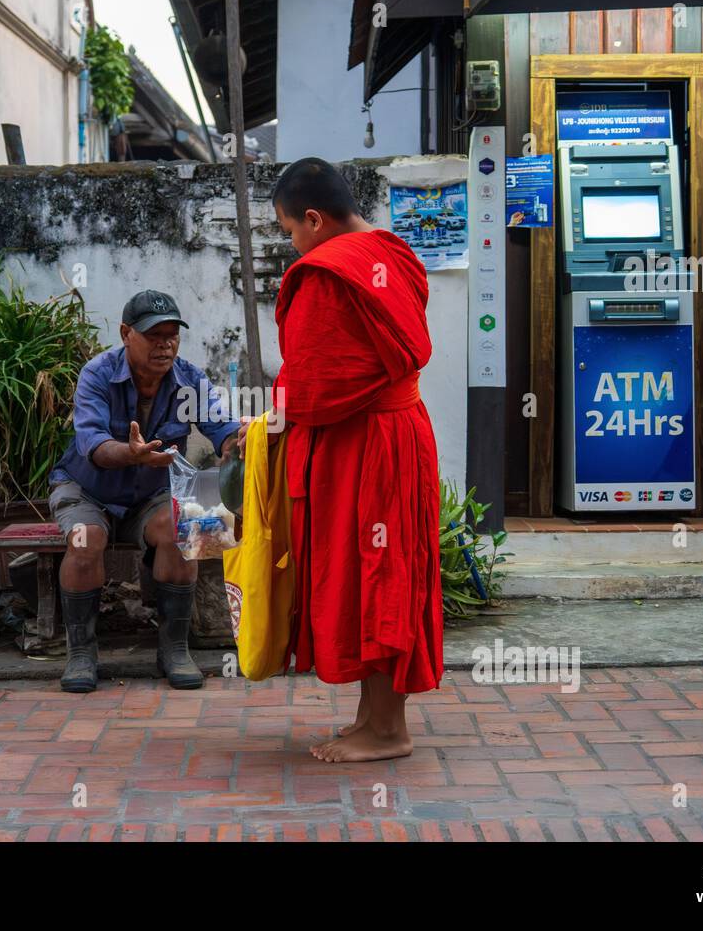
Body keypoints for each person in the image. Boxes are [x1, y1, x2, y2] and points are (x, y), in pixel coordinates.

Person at [252, 157, 443, 762]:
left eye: (289, 231)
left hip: (364, 444)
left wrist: (268, 422)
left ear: (313, 218)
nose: (292, 244)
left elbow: (314, 381)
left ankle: (388, 731)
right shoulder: (395, 253)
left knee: (375, 571)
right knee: (386, 568)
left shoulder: (327, 273)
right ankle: (373, 717)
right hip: (402, 432)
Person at [49, 290, 238, 693]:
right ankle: (81, 652)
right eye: (154, 335)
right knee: (86, 541)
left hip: (152, 493)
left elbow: (222, 429)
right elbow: (93, 446)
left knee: (185, 530)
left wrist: (238, 441)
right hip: (87, 488)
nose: (164, 344)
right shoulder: (97, 374)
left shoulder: (189, 380)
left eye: (172, 335)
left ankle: (173, 649)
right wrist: (131, 453)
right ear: (125, 333)